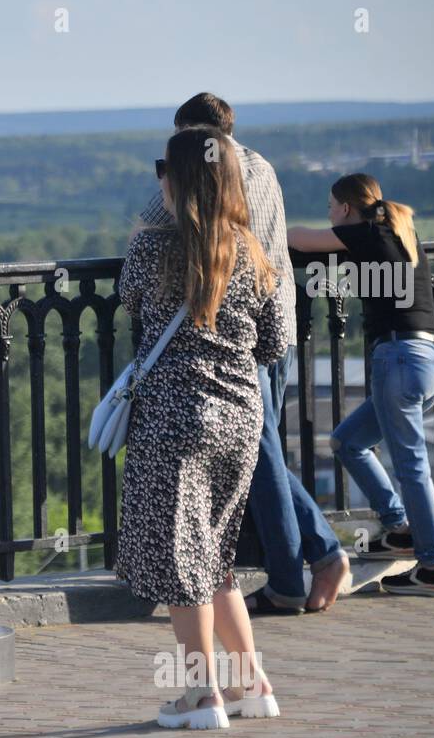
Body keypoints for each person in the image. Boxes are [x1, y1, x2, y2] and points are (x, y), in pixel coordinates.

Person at [138, 93, 350, 615]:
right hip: (272, 322)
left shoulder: (214, 173)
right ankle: (316, 557)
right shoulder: (263, 167)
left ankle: (297, 572)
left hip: (227, 334)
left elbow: (155, 225)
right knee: (258, 453)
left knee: (259, 457)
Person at [117, 125, 287, 730]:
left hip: (174, 419)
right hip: (241, 417)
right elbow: (273, 341)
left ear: (181, 177)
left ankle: (201, 695)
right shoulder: (251, 249)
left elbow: (131, 303)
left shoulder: (154, 248)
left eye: (165, 167)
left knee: (180, 560)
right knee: (214, 558)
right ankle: (252, 682)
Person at [288, 175, 434, 596]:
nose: (328, 214)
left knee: (412, 467)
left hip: (398, 360)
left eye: (330, 206)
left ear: (345, 208)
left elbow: (299, 240)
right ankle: (398, 529)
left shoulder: (364, 230)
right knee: (348, 442)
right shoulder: (400, 229)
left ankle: (432, 568)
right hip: (431, 360)